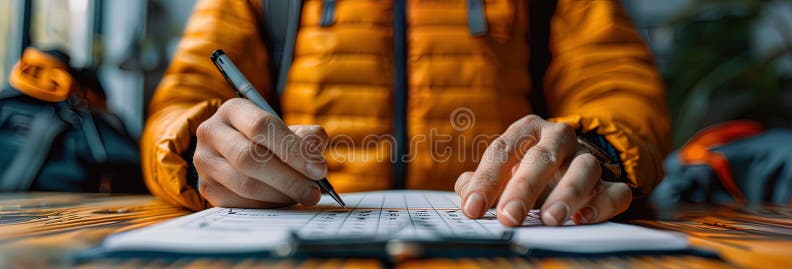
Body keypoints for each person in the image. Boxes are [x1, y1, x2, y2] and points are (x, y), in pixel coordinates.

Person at [141, 0, 671, 227]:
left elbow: (615, 83)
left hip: (512, 241)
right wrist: (198, 154)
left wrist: (596, 150)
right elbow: (181, 103)